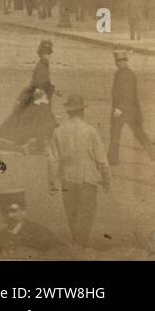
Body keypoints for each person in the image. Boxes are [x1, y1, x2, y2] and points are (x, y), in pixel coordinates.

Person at [48, 93, 111, 248]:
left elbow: (53, 160)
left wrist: (51, 182)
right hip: (88, 179)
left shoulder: (58, 131)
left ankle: (77, 243)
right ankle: (81, 244)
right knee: (87, 213)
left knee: (72, 213)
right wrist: (107, 179)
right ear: (82, 111)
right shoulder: (91, 131)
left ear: (68, 111)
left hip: (67, 180)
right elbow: (102, 160)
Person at [0, 39, 58, 153]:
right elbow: (40, 83)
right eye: (45, 53)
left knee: (35, 119)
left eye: (49, 53)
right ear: (41, 54)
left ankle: (37, 143)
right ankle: (35, 145)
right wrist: (50, 89)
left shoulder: (44, 65)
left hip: (39, 95)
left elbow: (43, 82)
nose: (48, 55)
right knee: (39, 120)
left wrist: (52, 88)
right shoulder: (41, 66)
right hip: (40, 96)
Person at [109, 50, 153, 166]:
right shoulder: (121, 73)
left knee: (133, 134)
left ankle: (113, 160)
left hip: (126, 110)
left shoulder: (127, 74)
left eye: (121, 61)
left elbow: (127, 94)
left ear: (125, 61)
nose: (118, 63)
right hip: (129, 110)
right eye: (117, 61)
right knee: (117, 134)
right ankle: (112, 160)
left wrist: (119, 108)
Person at [0, 190, 58, 256]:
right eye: (5, 211)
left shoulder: (40, 232)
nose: (9, 215)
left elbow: (58, 253)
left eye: (13, 211)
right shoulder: (0, 236)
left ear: (23, 211)